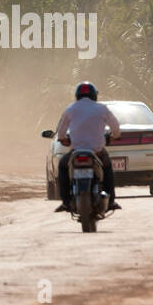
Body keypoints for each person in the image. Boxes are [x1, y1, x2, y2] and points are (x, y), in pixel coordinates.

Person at [54, 81, 122, 212]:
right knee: (107, 169)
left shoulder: (71, 109)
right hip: (97, 152)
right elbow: (116, 128)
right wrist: (116, 136)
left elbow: (61, 133)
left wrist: (63, 139)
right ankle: (111, 201)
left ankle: (66, 202)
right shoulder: (102, 108)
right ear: (94, 95)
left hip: (76, 151)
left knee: (63, 166)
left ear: (77, 96)